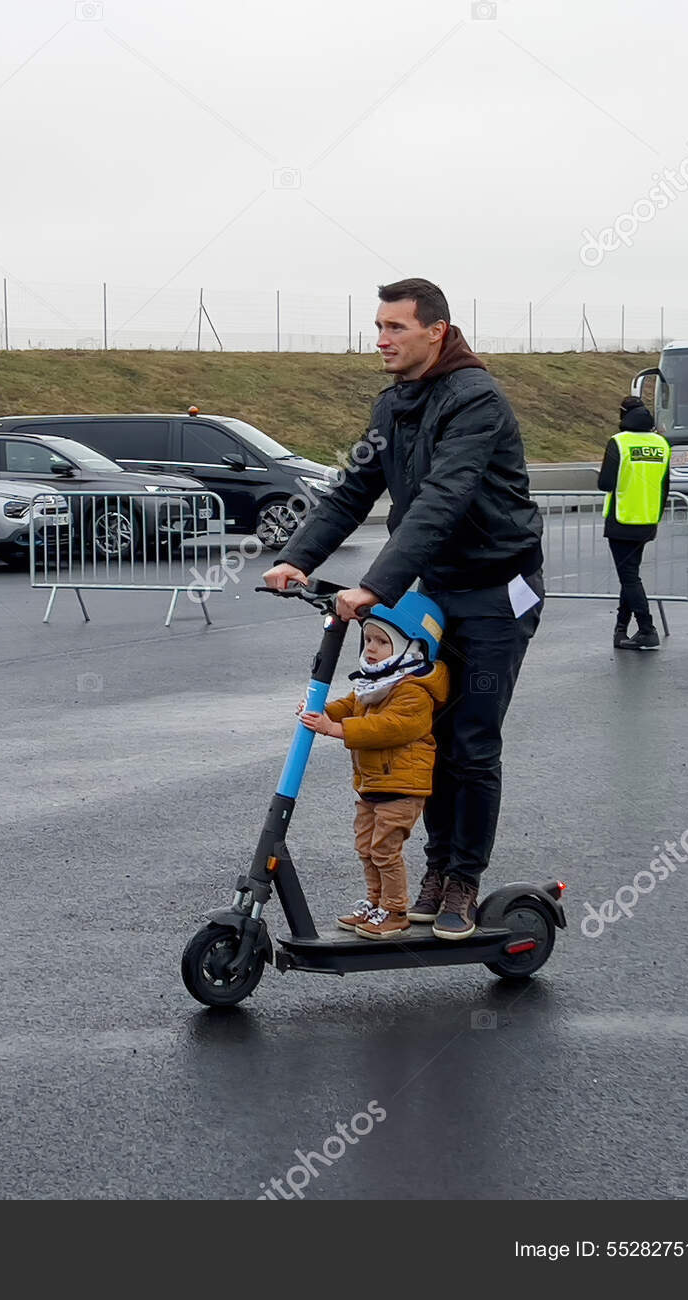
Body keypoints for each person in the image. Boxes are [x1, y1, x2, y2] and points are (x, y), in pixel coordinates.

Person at [264, 277, 544, 941]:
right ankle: (435, 868)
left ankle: (462, 881)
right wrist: (298, 558)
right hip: (438, 591)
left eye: (396, 327)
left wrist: (376, 587)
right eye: (379, 326)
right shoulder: (395, 405)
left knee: (471, 741)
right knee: (424, 732)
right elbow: (351, 490)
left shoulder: (476, 400)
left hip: (499, 589)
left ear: (435, 332)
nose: (382, 338)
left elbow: (441, 501)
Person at [300, 595, 450, 940]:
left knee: (385, 850)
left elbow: (390, 727)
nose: (371, 648)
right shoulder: (376, 683)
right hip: (372, 784)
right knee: (366, 847)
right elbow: (351, 704)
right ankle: (375, 901)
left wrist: (336, 729)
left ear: (411, 648)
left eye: (383, 642)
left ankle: (395, 910)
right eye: (368, 639)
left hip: (401, 787)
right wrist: (319, 709)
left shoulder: (414, 691)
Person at [598, 396, 669, 651]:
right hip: (647, 520)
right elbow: (665, 486)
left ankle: (647, 629)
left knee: (629, 578)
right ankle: (621, 629)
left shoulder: (619, 443)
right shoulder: (661, 444)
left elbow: (605, 484)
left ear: (623, 415)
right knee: (630, 576)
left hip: (622, 519)